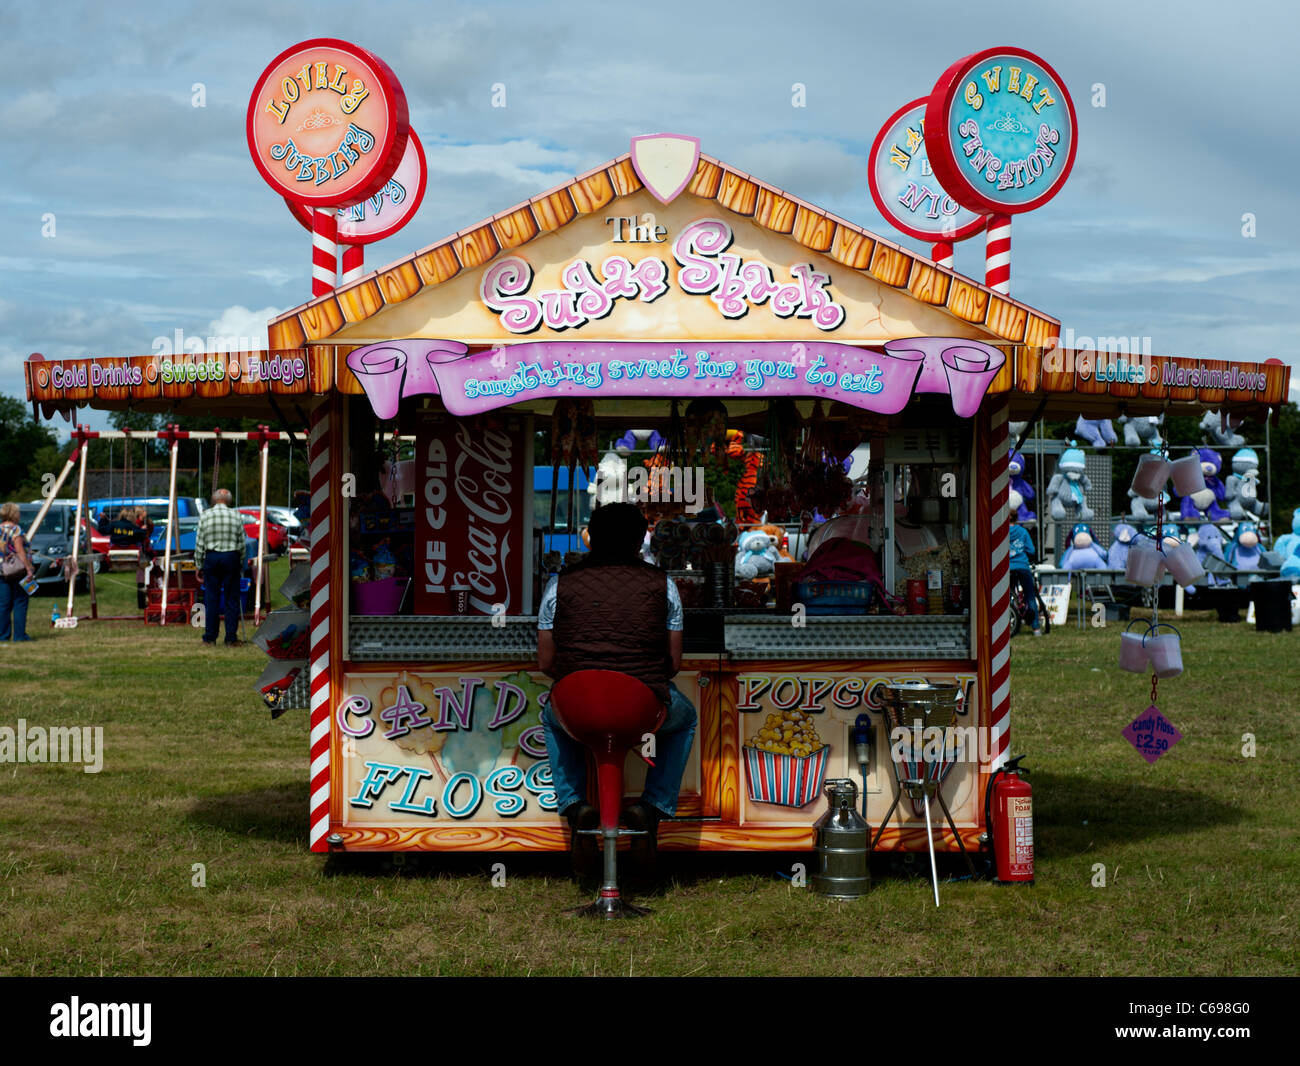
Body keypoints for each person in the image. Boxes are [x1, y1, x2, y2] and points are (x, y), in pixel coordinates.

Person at [537, 502, 697, 872]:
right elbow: (673, 665)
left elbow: (546, 664)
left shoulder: (559, 584)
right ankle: (650, 807)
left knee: (551, 716)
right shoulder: (664, 584)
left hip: (577, 711)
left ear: (590, 538)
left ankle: (577, 807)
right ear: (641, 539)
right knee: (685, 717)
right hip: (639, 710)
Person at [195, 488, 247, 646]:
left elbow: (200, 542)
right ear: (229, 500)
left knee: (211, 598)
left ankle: (210, 637)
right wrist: (241, 561)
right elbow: (242, 542)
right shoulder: (236, 515)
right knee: (232, 599)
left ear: (214, 499)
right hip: (231, 557)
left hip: (211, 557)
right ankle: (231, 637)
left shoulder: (205, 515)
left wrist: (199, 564)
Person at [0, 502, 36, 644]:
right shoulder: (15, 530)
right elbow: (20, 550)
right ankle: (19, 635)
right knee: (20, 602)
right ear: (13, 514)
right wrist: (28, 568)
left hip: (2, 570)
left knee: (3, 604)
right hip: (17, 570)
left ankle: (3, 636)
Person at [1009, 522, 1042, 635]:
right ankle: (1036, 628)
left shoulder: (1001, 531)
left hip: (1007, 568)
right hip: (1022, 566)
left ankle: (1009, 624)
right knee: (1030, 595)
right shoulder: (1023, 531)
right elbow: (1031, 550)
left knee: (1008, 596)